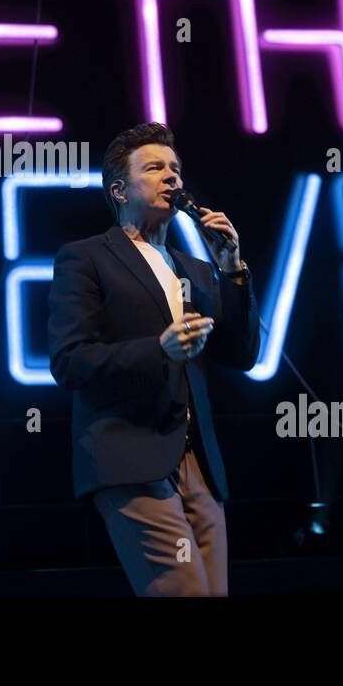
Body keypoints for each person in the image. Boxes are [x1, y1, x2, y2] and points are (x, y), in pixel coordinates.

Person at [48, 122, 259, 596]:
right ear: (119, 190)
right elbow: (69, 361)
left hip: (198, 463)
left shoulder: (198, 270)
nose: (173, 178)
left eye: (176, 169)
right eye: (156, 168)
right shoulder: (86, 259)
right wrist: (156, 350)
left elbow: (241, 355)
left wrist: (233, 272)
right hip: (130, 454)